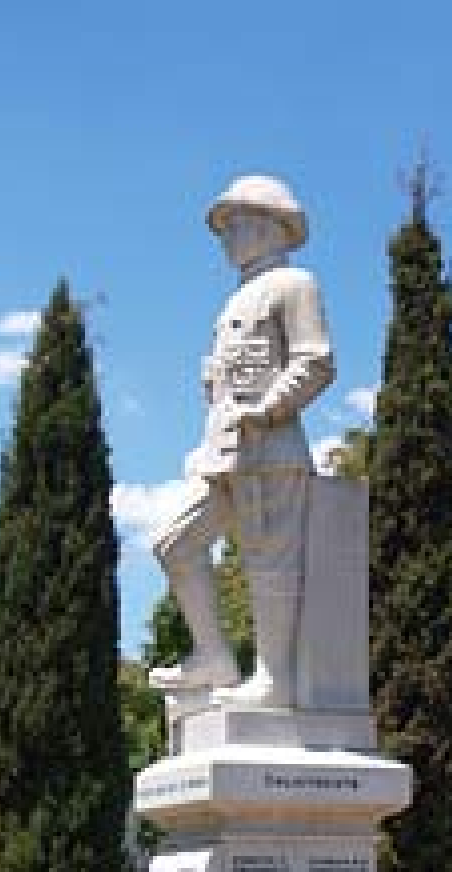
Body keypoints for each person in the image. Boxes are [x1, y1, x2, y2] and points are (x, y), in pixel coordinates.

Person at [148, 175, 335, 708]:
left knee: (268, 561)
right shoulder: (237, 298)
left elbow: (315, 360)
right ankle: (214, 656)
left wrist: (270, 407)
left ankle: (273, 678)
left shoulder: (295, 283)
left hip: (270, 450)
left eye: (239, 225)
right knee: (175, 545)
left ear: (276, 228)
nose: (228, 238)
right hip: (222, 451)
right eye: (225, 229)